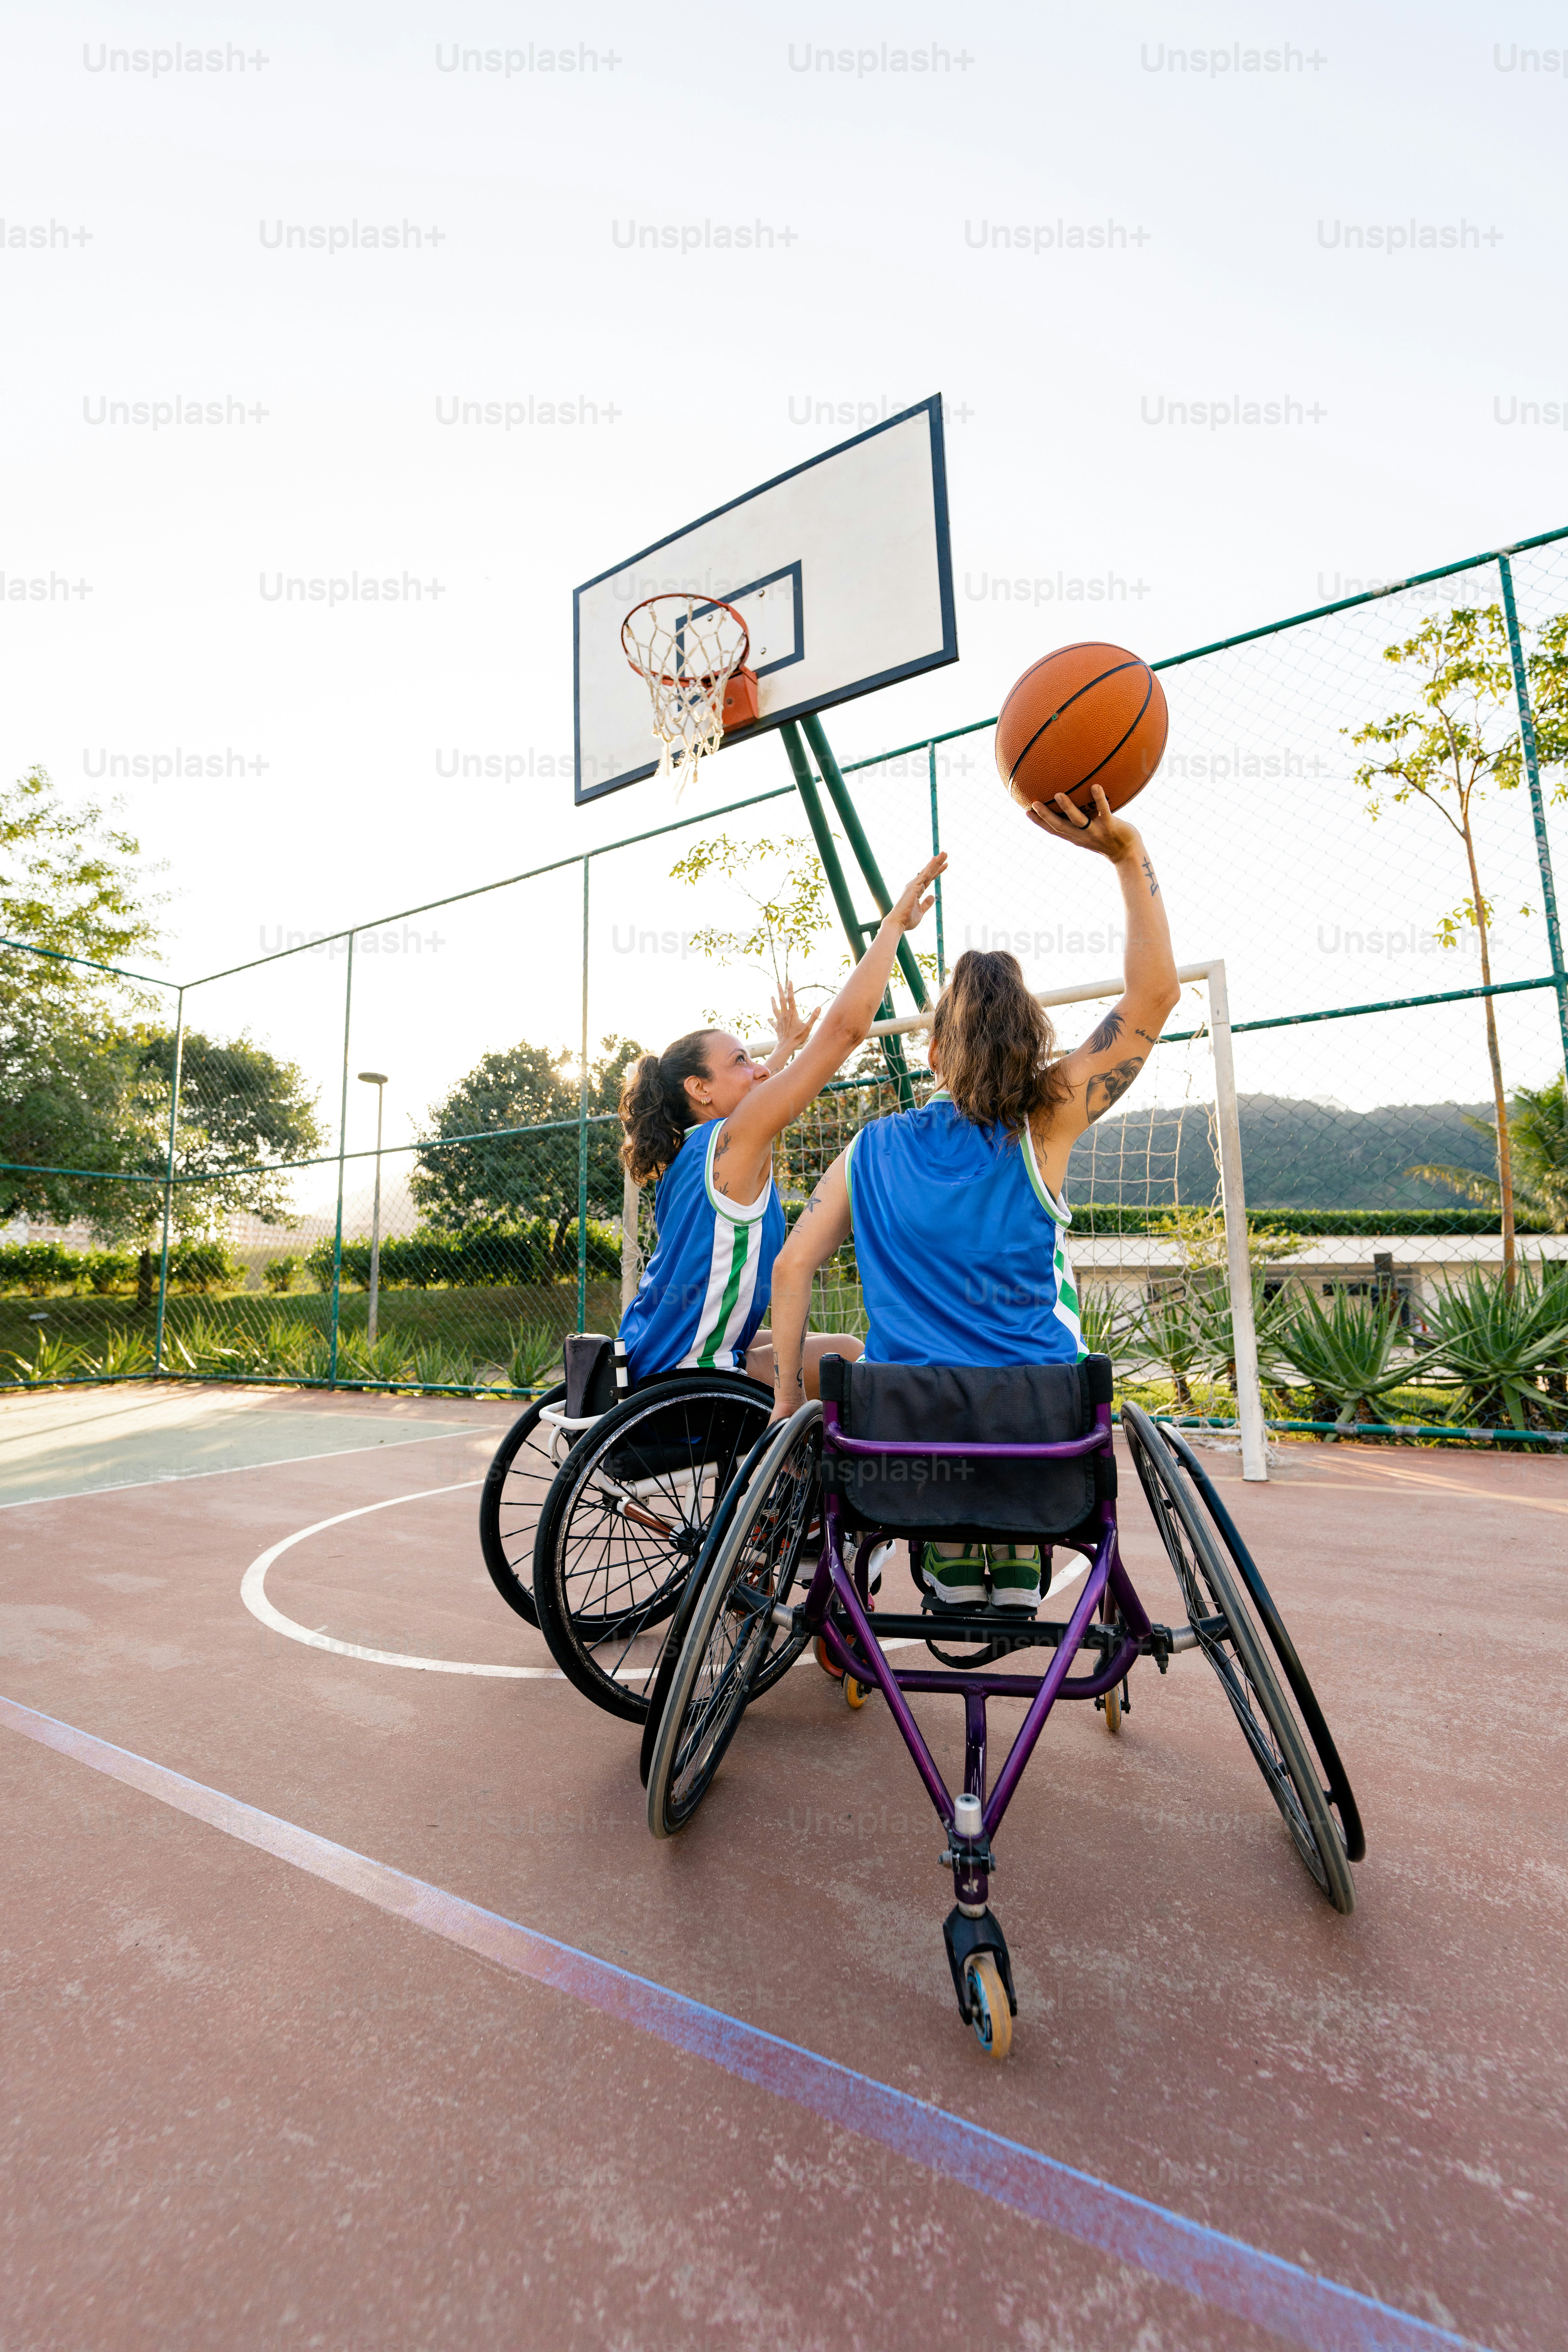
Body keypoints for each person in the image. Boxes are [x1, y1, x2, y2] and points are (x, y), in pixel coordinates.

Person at [766, 784, 1179, 1615]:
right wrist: (1125, 854)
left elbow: (789, 1265)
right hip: (1039, 1432)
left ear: (929, 1047)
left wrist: (784, 1398)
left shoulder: (870, 1148)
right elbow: (1153, 999)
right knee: (1017, 1420)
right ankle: (1010, 1560)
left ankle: (948, 1557)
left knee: (909, 1417)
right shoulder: (1045, 1120)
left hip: (903, 1439)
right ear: (1029, 1036)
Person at [616, 854, 945, 1389]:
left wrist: (787, 1046)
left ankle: (794, 1467)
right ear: (698, 1089)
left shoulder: (694, 1151)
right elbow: (844, 1033)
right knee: (853, 1373)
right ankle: (812, 1467)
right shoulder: (733, 1140)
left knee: (841, 1349)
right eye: (740, 1061)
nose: (760, 1067)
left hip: (655, 1352)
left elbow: (771, 1085)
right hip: (689, 1374)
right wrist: (891, 928)